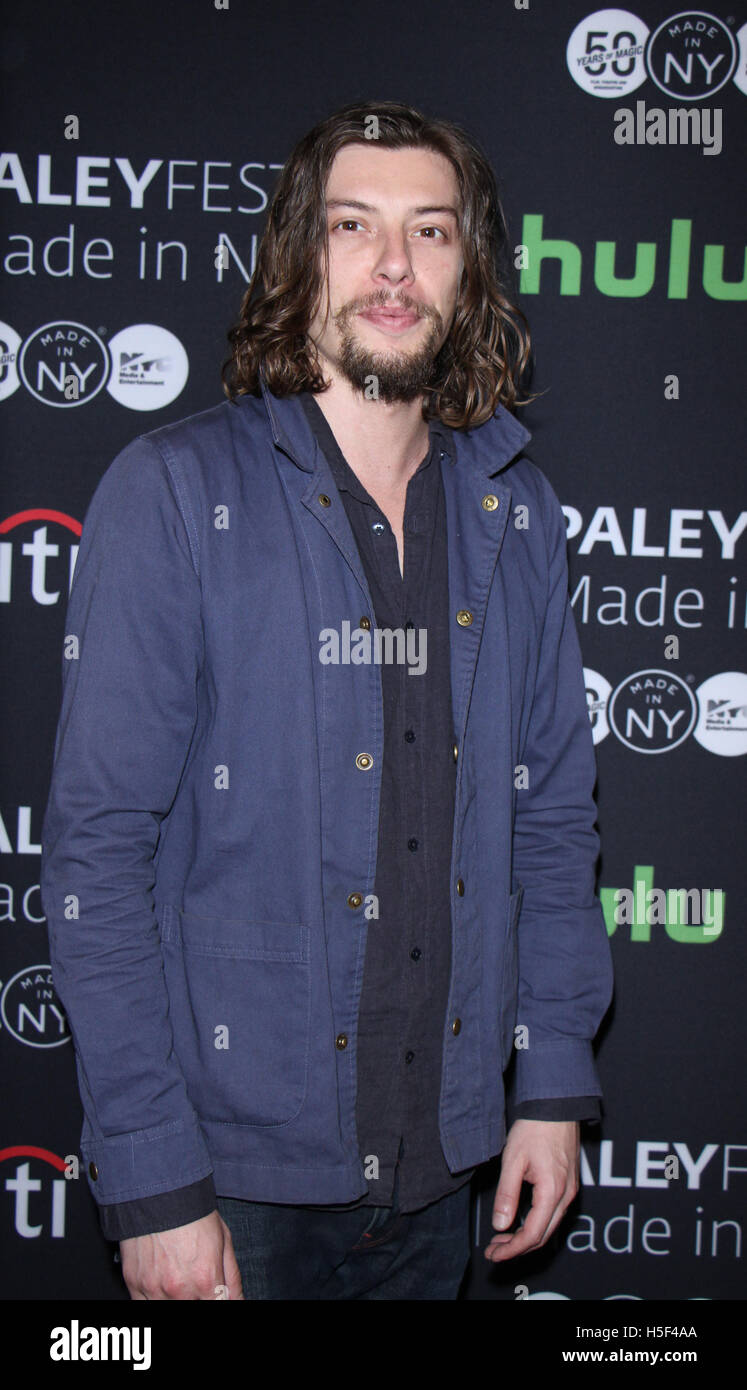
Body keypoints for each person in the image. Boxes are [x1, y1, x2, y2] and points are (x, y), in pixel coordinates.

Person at [40, 100, 614, 1301]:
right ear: (299, 255)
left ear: (471, 271)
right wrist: (154, 1181)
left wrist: (552, 1082)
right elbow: (99, 853)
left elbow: (553, 824)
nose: (393, 265)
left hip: (446, 1164)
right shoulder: (174, 491)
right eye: (355, 225)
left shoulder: (517, 511)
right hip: (227, 1183)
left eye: (431, 231)